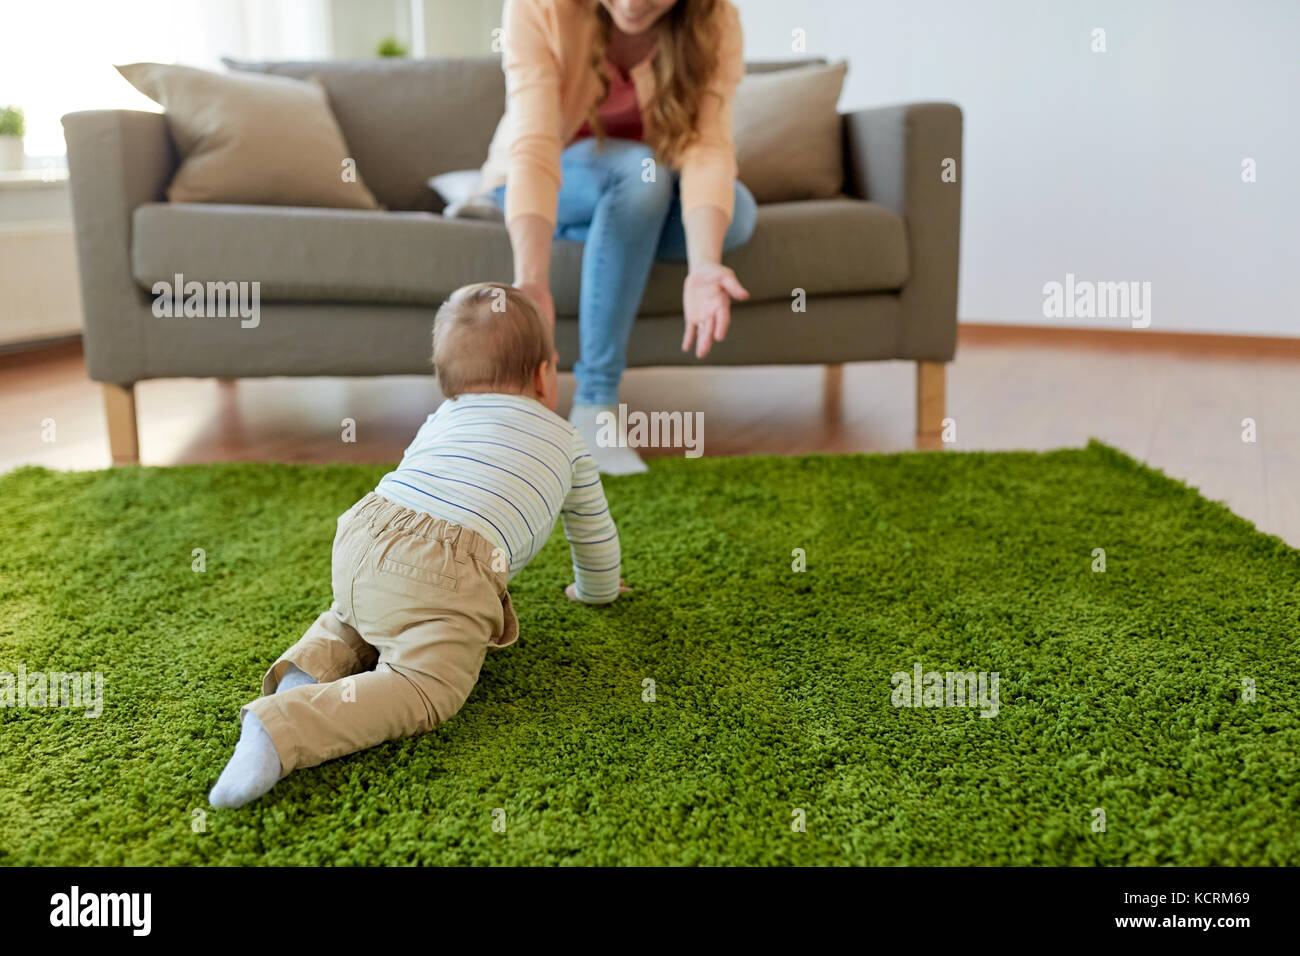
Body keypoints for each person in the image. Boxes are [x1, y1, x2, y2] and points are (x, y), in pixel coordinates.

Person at [209, 283, 629, 808]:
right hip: (449, 568)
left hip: (365, 531)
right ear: (545, 375)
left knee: (357, 616)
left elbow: (417, 476)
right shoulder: (567, 441)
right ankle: (284, 726)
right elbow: (593, 536)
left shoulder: (442, 417)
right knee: (426, 687)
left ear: (448, 384)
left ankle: (301, 676)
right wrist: (596, 591)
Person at [480, 0, 757, 473]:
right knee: (641, 175)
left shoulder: (714, 17)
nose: (631, 3)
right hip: (550, 177)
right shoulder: (538, 7)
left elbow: (708, 149)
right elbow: (535, 147)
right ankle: (594, 406)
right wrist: (532, 280)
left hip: (642, 182)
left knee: (738, 213)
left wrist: (705, 264)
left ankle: (619, 225)